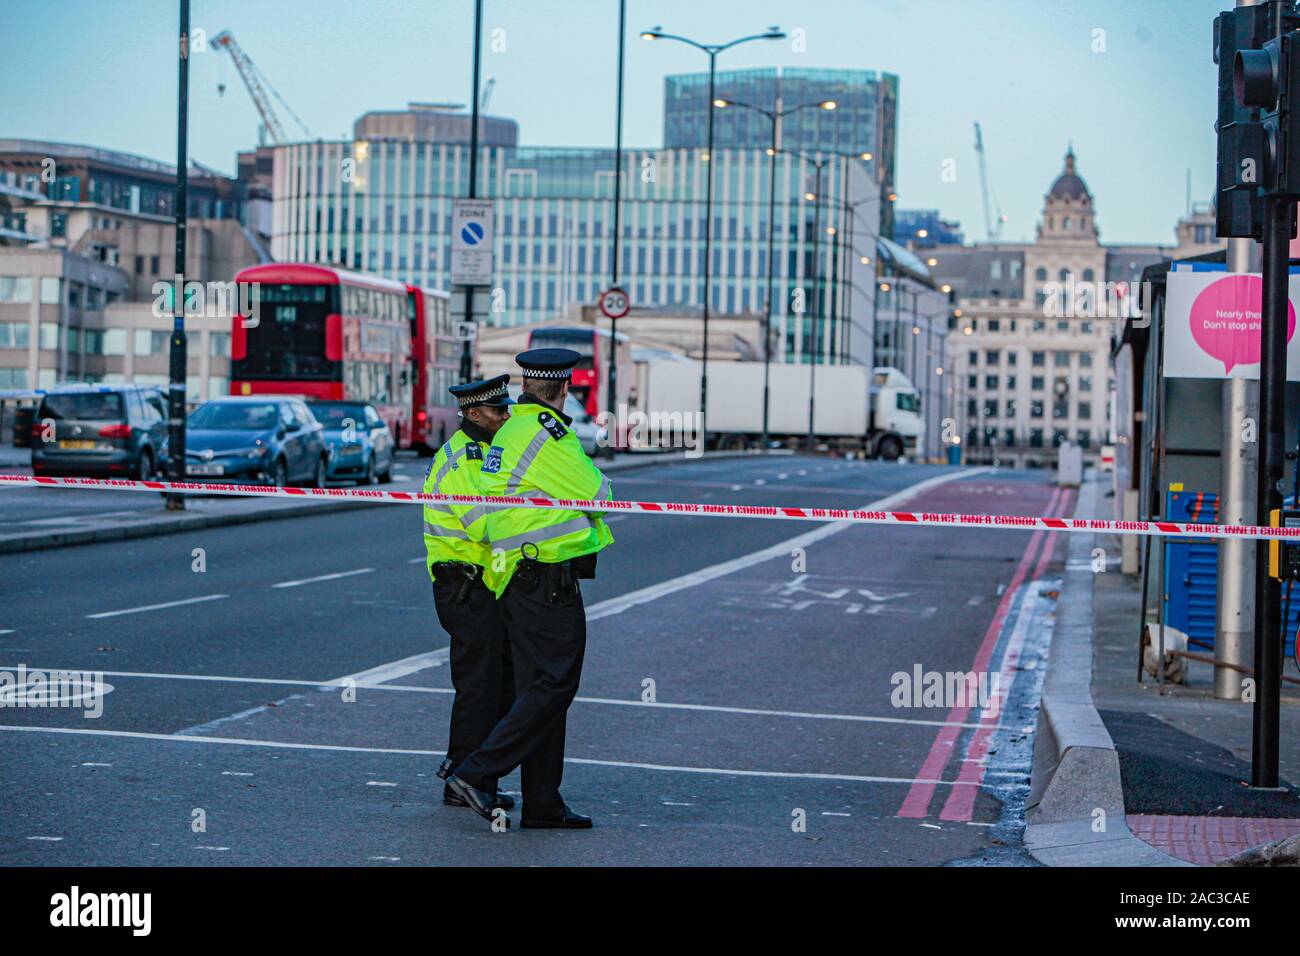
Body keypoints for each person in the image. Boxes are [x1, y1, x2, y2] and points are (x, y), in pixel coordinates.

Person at [445, 348, 614, 829]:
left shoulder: (513, 426)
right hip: (547, 580)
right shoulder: (548, 431)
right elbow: (600, 493)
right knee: (554, 684)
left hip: (515, 577)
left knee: (540, 688)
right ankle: (477, 773)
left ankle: (543, 802)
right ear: (564, 389)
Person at [422, 374, 516, 813]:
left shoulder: (485, 453)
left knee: (493, 683)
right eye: (499, 411)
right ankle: (463, 776)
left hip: (481, 581)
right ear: (474, 413)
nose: (506, 416)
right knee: (480, 685)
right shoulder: (463, 459)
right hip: (465, 583)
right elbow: (484, 525)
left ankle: (471, 774)